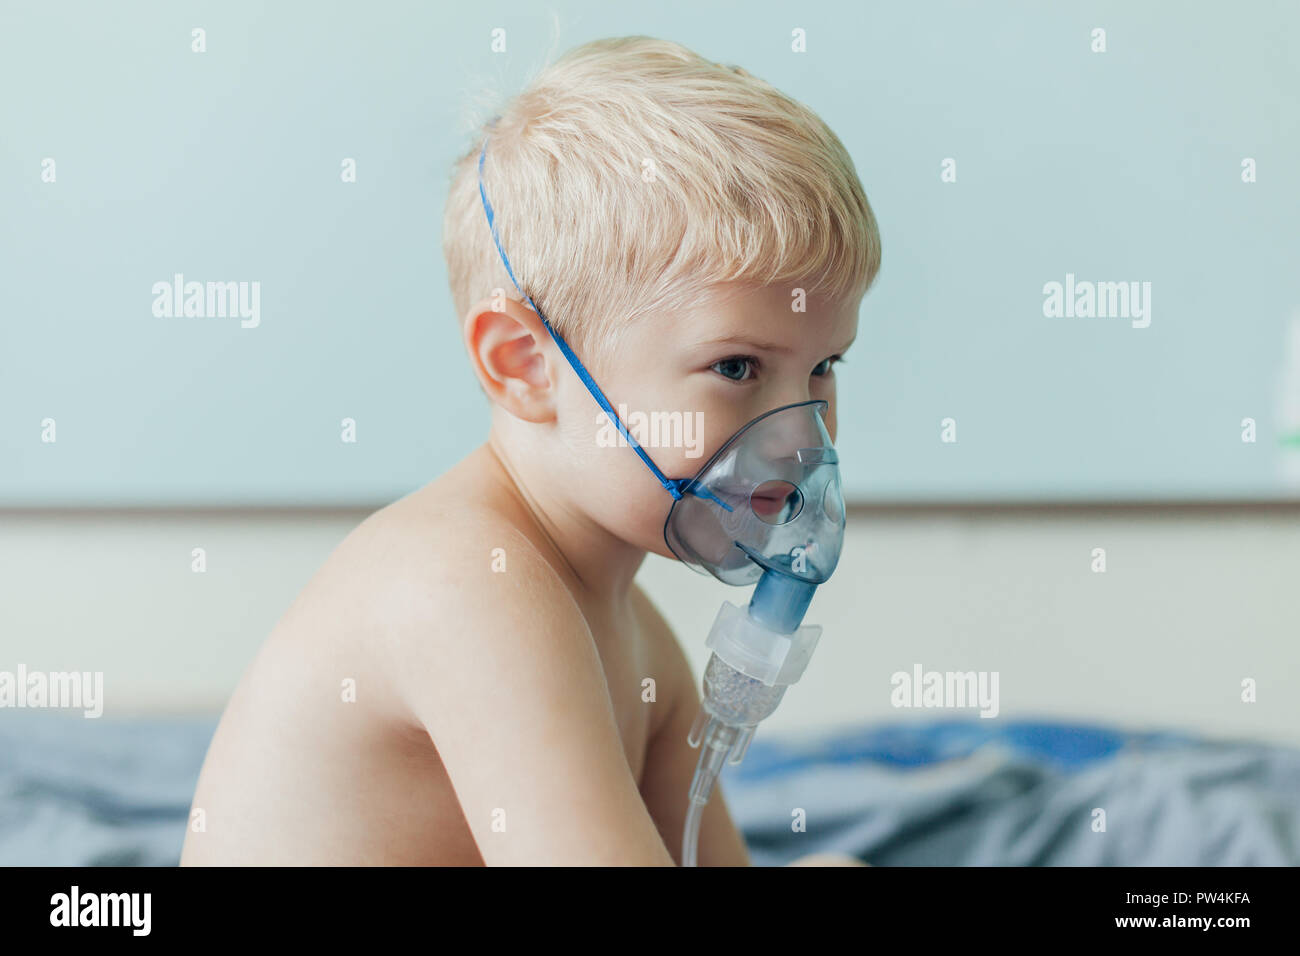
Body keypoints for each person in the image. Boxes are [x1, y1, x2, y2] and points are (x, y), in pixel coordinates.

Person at [181, 35, 880, 866]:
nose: (802, 434)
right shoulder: (468, 587)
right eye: (736, 367)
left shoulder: (640, 639)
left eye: (824, 366)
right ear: (526, 365)